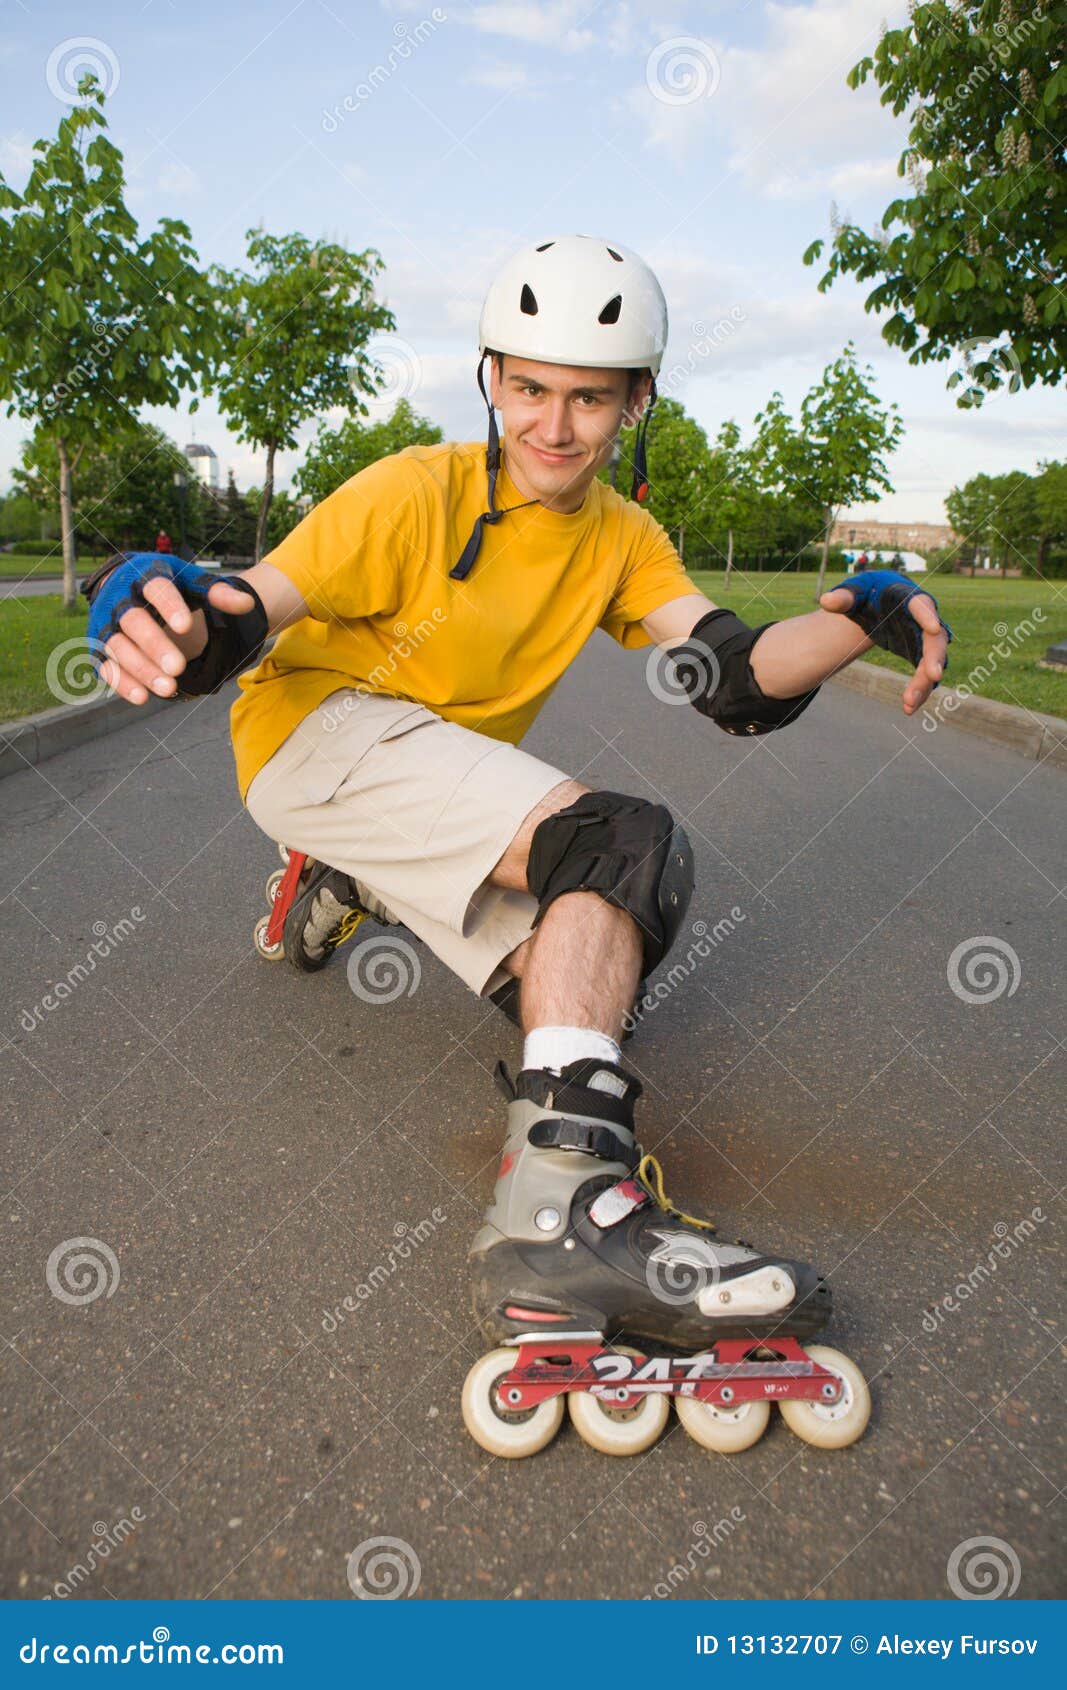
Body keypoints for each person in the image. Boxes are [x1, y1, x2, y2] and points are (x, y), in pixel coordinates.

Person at [84, 235, 950, 1451]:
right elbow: (247, 612)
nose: (553, 425)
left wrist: (857, 615)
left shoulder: (619, 539)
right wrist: (157, 601)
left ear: (635, 401)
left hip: (434, 776)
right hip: (313, 738)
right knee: (614, 844)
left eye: (589, 396)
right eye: (528, 387)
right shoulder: (410, 491)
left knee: (597, 962)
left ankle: (354, 884)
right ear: (488, 377)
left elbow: (735, 677)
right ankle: (556, 1217)